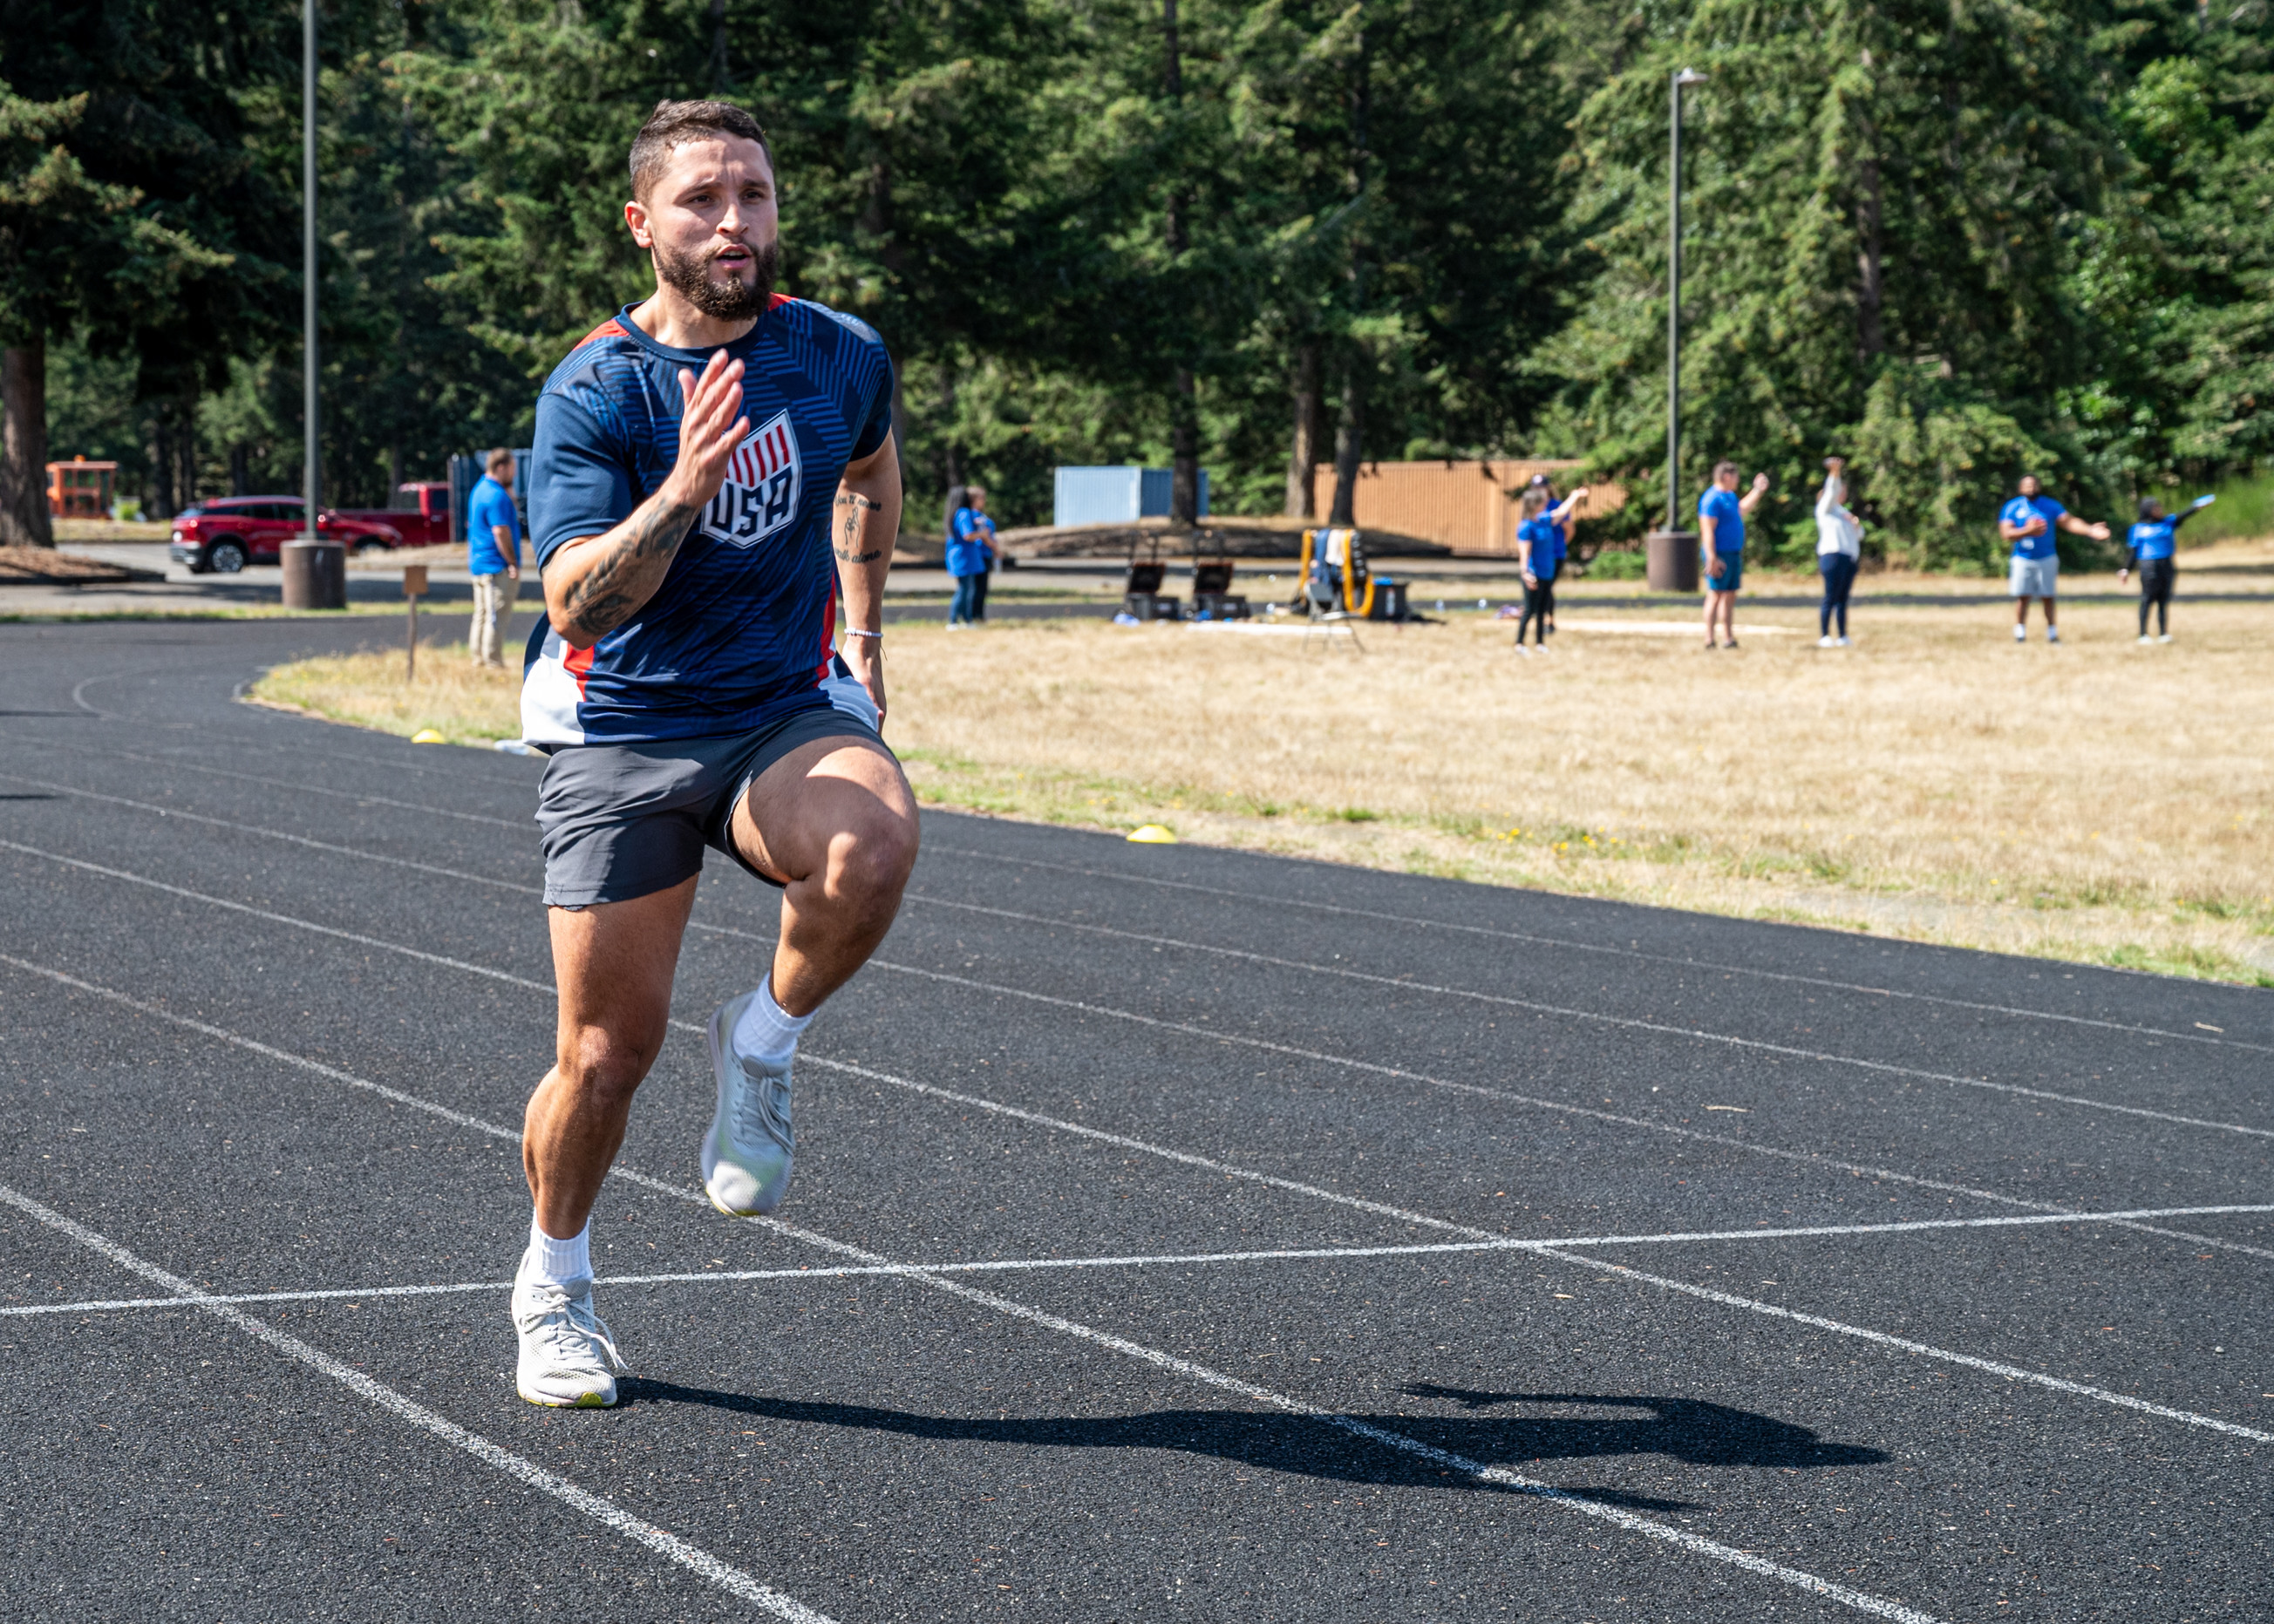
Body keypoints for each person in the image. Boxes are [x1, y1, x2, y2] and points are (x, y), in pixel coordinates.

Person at [512, 99, 917, 1409]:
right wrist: (682, 491)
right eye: (702, 199)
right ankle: (554, 1285)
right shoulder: (597, 388)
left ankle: (763, 1038)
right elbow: (578, 605)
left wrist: (863, 632)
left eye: (753, 193)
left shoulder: (839, 351)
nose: (734, 220)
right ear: (644, 224)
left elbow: (872, 474)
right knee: (603, 1058)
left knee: (873, 845)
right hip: (623, 728)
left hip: (779, 709)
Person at [1999, 474, 2109, 643]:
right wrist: (2028, 531)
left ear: (2039, 486)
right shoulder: (2012, 507)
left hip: (2046, 557)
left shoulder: (2049, 505)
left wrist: (2090, 530)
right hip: (2022, 558)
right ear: (2020, 488)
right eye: (2027, 485)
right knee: (2023, 597)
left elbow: (2069, 522)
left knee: (2048, 596)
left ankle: (2052, 633)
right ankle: (2020, 633)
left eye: (2034, 484)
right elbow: (2006, 533)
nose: (2031, 488)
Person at [2120, 494, 2210, 642]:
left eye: (2159, 507)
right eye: (2155, 508)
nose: (2159, 510)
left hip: (2167, 564)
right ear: (2147, 510)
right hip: (2148, 566)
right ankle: (2143, 634)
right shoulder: (2137, 529)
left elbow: (2183, 515)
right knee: (2147, 599)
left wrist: (2196, 507)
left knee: (2164, 599)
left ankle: (2163, 633)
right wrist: (2125, 569)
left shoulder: (2168, 523)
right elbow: (2133, 552)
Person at [1698, 460, 1769, 649]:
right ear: (1727, 476)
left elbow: (1742, 509)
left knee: (1729, 596)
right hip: (1719, 553)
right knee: (1715, 595)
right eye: (1736, 476)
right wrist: (1711, 557)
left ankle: (1728, 638)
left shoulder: (1729, 496)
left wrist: (1758, 491)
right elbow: (1707, 530)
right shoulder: (1711, 499)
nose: (1738, 480)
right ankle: (1709, 639)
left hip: (1733, 552)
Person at [1513, 482, 1589, 651]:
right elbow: (1524, 553)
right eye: (1541, 501)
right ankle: (1519, 644)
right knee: (1529, 610)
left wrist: (1574, 495)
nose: (1545, 503)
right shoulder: (1526, 526)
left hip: (1547, 571)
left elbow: (1561, 512)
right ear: (1533, 505)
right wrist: (1525, 572)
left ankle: (1540, 643)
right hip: (1533, 573)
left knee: (1541, 610)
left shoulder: (1544, 520)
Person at [466, 450, 522, 667]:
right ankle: (493, 660)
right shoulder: (496, 495)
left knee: (481, 614)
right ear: (501, 467)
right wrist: (512, 562)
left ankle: (478, 658)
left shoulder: (479, 489)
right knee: (496, 615)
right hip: (496, 566)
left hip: (479, 564)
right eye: (512, 469)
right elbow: (500, 531)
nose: (514, 475)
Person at [1814, 456, 1862, 646]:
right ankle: (1825, 635)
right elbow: (1832, 491)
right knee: (1830, 596)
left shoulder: (1844, 513)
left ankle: (1842, 635)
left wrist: (1856, 524)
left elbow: (1860, 534)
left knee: (1842, 599)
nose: (1841, 493)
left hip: (1848, 558)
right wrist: (1835, 472)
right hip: (1832, 556)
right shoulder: (1825, 509)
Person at [946, 484, 997, 627]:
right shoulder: (964, 513)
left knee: (967, 589)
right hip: (964, 557)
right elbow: (968, 535)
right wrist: (982, 534)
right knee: (965, 590)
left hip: (963, 556)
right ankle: (956, 620)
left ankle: (965, 619)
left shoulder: (957, 513)